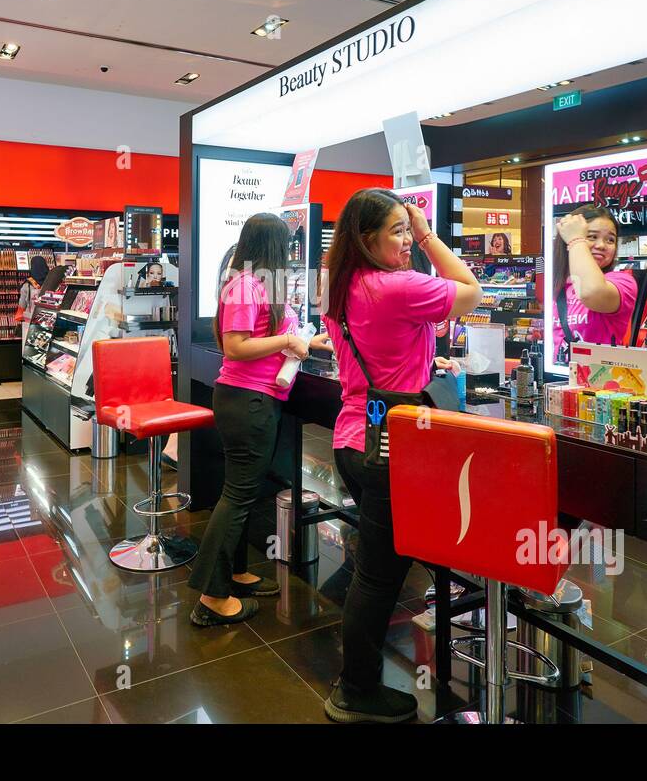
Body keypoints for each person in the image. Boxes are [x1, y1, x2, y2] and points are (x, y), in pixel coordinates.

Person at [320, 189, 481, 722]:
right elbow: (471, 291)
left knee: (373, 567)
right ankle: (356, 691)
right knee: (376, 578)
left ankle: (356, 677)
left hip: (352, 438)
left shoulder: (341, 284)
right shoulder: (395, 287)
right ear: (366, 239)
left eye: (410, 230)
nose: (409, 240)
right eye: (398, 231)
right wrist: (431, 235)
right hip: (393, 446)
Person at [188, 213, 329, 627]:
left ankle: (235, 574)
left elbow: (262, 340)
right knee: (237, 496)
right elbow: (235, 347)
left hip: (252, 400)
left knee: (241, 494)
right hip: (247, 401)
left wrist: (308, 341)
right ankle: (212, 598)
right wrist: (287, 340)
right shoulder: (246, 286)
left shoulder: (256, 285)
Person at [551, 204, 638, 361]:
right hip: (556, 373)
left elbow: (591, 292)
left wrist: (576, 240)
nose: (601, 245)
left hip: (599, 376)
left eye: (610, 240)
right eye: (591, 236)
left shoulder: (623, 283)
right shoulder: (555, 285)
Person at [16, 256, 49, 340]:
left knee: (30, 342)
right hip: (47, 319)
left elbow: (22, 304)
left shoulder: (27, 285)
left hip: (30, 319)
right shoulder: (50, 282)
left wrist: (19, 316)